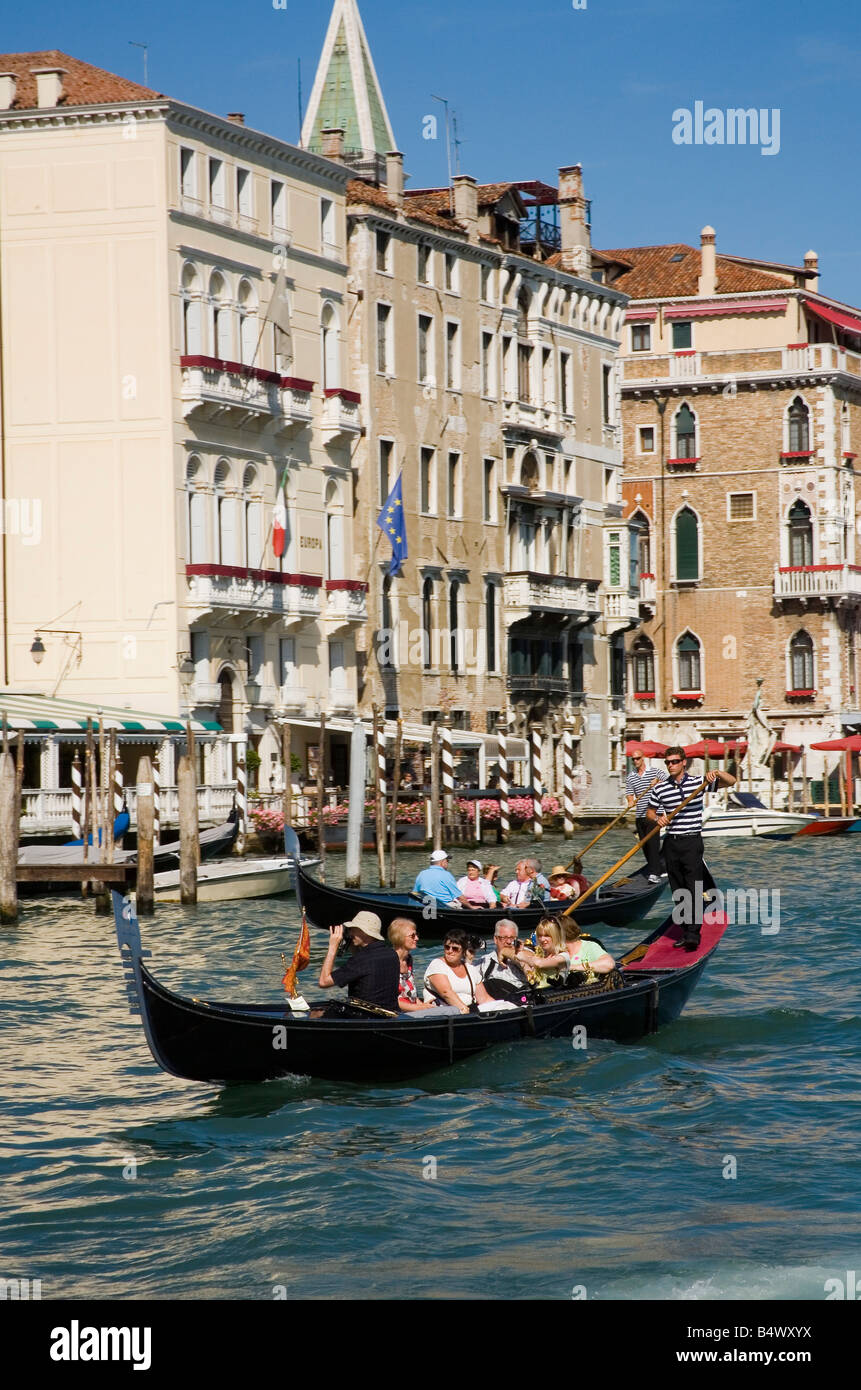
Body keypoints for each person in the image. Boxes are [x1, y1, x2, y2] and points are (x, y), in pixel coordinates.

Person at [646, 746, 735, 951]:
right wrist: (658, 818)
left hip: (692, 842)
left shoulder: (699, 783)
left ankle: (693, 934)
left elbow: (732, 782)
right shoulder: (660, 788)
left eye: (675, 761)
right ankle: (686, 930)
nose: (671, 765)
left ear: (684, 762)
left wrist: (718, 773)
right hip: (671, 843)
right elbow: (649, 813)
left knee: (693, 887)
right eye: (668, 762)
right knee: (678, 890)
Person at [319, 910, 400, 1012]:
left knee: (316, 1014)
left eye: (353, 929)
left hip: (363, 1017)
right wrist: (353, 946)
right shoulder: (392, 954)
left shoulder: (361, 960)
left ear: (364, 932)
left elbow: (323, 982)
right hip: (390, 1014)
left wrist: (333, 946)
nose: (350, 933)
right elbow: (366, 970)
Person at [423, 927, 492, 1013]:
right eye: (447, 947)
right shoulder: (437, 965)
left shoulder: (470, 969)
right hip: (445, 1013)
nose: (450, 951)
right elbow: (446, 992)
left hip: (469, 1010)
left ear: (463, 950)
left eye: (455, 948)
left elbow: (484, 999)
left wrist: (501, 1007)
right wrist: (464, 1009)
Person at [626, 751, 667, 882]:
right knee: (644, 845)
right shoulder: (631, 776)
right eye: (633, 759)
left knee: (653, 843)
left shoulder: (655, 771)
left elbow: (670, 781)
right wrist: (630, 800)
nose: (635, 761)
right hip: (640, 815)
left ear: (643, 758)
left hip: (654, 813)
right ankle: (658, 868)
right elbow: (629, 792)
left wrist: (658, 781)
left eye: (638, 758)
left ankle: (655, 873)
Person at [479, 919, 535, 1004]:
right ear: (495, 939)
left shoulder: (524, 952)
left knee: (493, 984)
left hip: (521, 999)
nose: (509, 942)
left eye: (512, 938)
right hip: (493, 1002)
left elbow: (535, 961)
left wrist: (507, 953)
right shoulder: (485, 961)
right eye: (504, 938)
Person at [387, 917, 435, 1013]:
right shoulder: (389, 962)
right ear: (399, 937)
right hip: (398, 1014)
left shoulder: (409, 959)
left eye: (416, 934)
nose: (417, 938)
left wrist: (422, 1005)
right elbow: (390, 1000)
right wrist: (420, 1008)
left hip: (413, 1009)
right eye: (412, 936)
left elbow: (409, 992)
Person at [516, 916, 575, 988]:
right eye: (540, 936)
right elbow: (533, 978)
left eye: (547, 935)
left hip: (555, 995)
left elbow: (539, 964)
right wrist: (521, 957)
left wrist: (521, 956)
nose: (542, 939)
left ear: (556, 936)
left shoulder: (563, 957)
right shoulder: (542, 955)